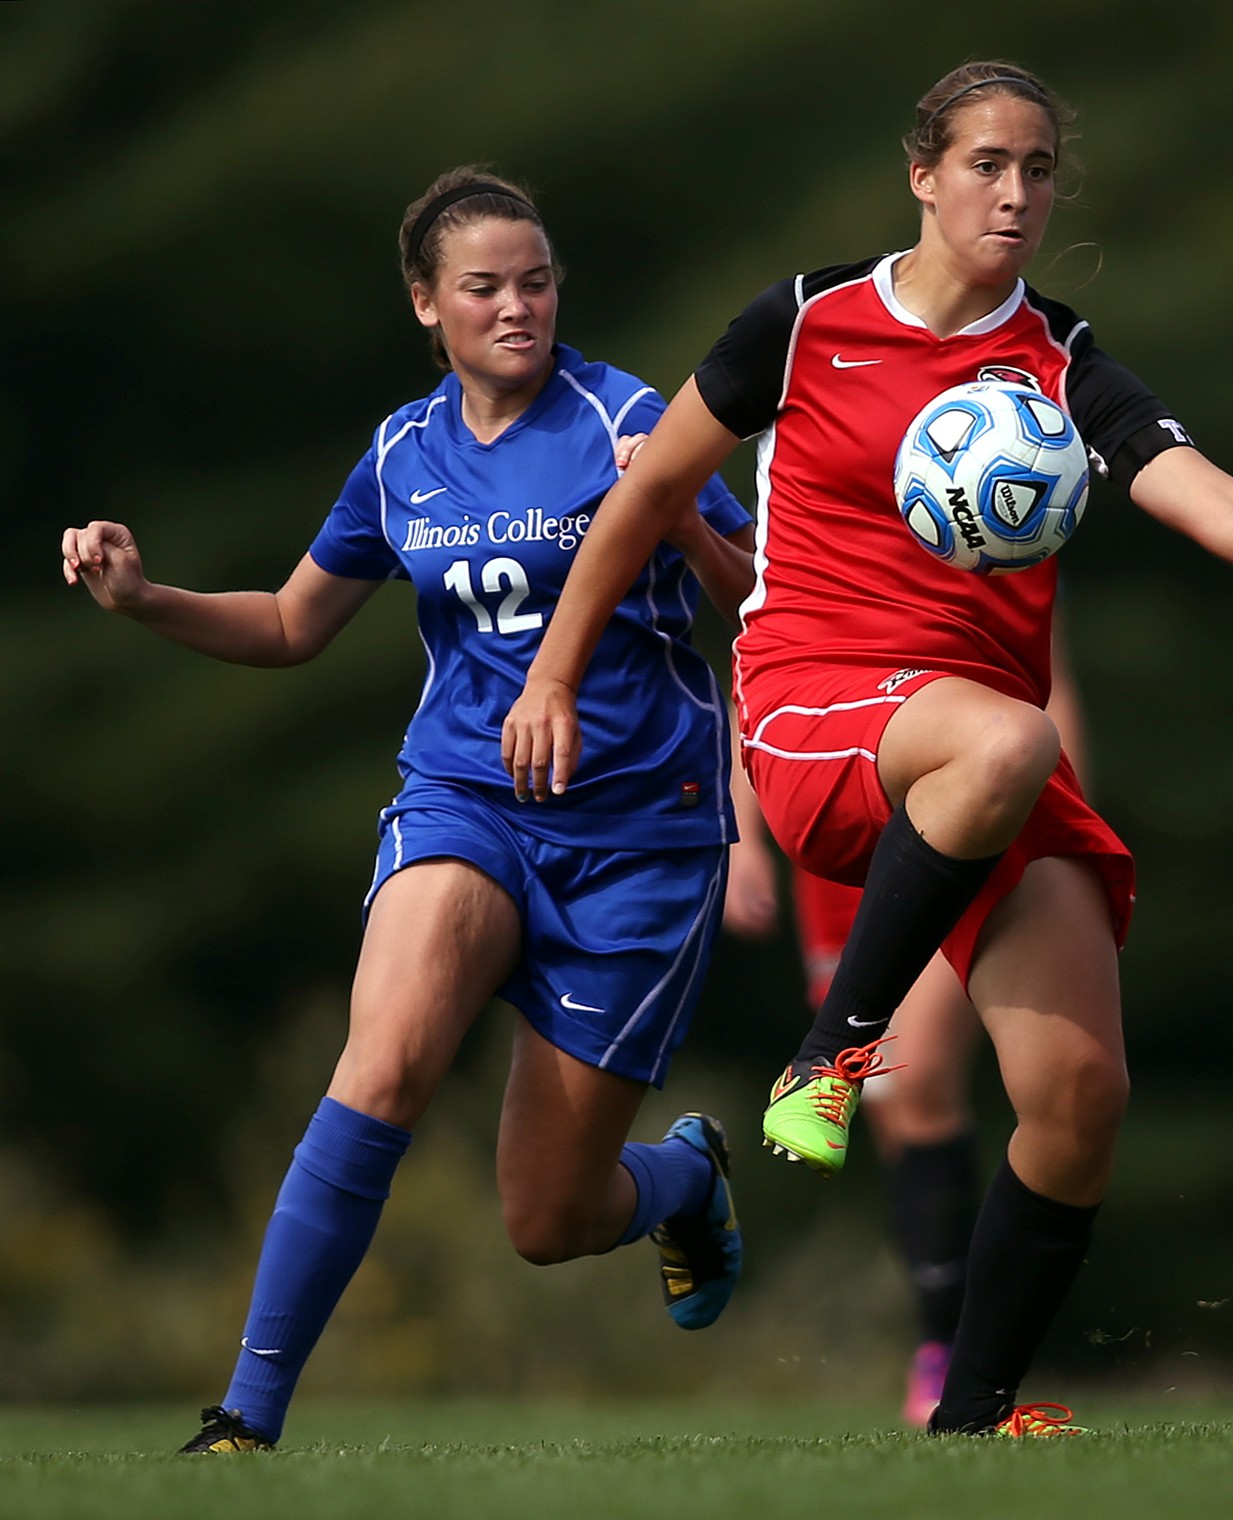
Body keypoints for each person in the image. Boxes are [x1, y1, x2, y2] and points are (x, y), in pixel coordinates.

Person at [503, 61, 1233, 1437]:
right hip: (819, 710)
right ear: (923, 175)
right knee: (1011, 740)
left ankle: (971, 1419)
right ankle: (832, 1054)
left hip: (977, 761)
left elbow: (1216, 504)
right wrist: (557, 673)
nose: (1016, 192)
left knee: (1078, 1097)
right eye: (988, 163)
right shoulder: (806, 324)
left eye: (1039, 169)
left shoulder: (1063, 363)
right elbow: (646, 492)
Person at [60, 166, 754, 1453]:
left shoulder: (634, 415)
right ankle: (244, 1424)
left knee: (547, 1220)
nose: (517, 306)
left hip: (640, 836)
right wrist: (146, 599)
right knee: (377, 1068)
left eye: (536, 281)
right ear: (425, 304)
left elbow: (755, 599)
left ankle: (686, 1174)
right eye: (483, 286)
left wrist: (668, 507)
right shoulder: (401, 452)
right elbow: (287, 623)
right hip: (468, 801)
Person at [726, 606, 1087, 1427]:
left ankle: (953, 1360)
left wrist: (1069, 859)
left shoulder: (1008, 508)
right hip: (844, 819)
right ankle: (940, 1344)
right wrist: (742, 833)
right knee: (893, 1106)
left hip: (974, 811)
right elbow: (766, 660)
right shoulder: (821, 527)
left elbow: (1052, 697)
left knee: (915, 1075)